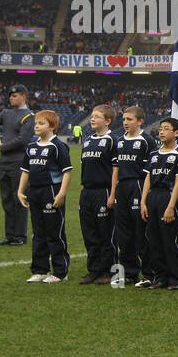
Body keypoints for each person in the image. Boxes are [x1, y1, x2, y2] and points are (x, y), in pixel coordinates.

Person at [17, 109, 71, 282]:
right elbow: (25, 171)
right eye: (36, 123)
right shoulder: (32, 147)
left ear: (52, 126)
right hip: (34, 192)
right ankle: (40, 270)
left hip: (51, 191)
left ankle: (60, 272)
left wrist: (62, 193)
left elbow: (67, 172)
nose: (37, 126)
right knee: (38, 232)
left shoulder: (58, 146)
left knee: (54, 232)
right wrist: (20, 191)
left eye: (41, 123)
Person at [0, 84, 34, 245]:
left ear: (24, 96)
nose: (11, 98)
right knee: (6, 199)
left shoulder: (29, 116)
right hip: (4, 162)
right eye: (10, 95)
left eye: (15, 95)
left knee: (19, 198)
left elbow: (23, 139)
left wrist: (4, 147)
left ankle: (20, 236)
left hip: (19, 162)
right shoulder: (6, 113)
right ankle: (10, 235)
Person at [139, 118, 178, 290]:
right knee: (154, 239)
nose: (161, 132)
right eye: (160, 129)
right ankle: (160, 276)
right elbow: (148, 178)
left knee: (169, 239)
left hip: (168, 196)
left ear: (177, 133)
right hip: (153, 198)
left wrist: (171, 206)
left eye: (166, 129)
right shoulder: (154, 154)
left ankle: (175, 278)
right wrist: (143, 202)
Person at [113, 106, 155, 287]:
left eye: (129, 119)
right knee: (123, 233)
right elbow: (115, 168)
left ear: (140, 121)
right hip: (122, 187)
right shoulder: (120, 141)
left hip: (138, 185)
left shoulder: (147, 140)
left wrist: (145, 196)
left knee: (141, 231)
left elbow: (150, 172)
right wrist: (113, 191)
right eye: (124, 119)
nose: (125, 122)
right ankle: (129, 272)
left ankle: (149, 273)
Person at [76, 104, 117, 284]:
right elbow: (85, 169)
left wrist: (112, 194)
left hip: (104, 191)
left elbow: (116, 170)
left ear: (107, 121)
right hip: (87, 193)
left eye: (97, 116)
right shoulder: (87, 140)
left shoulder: (112, 140)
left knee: (105, 234)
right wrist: (82, 191)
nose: (92, 119)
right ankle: (93, 270)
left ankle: (109, 272)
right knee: (90, 234)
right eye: (92, 116)